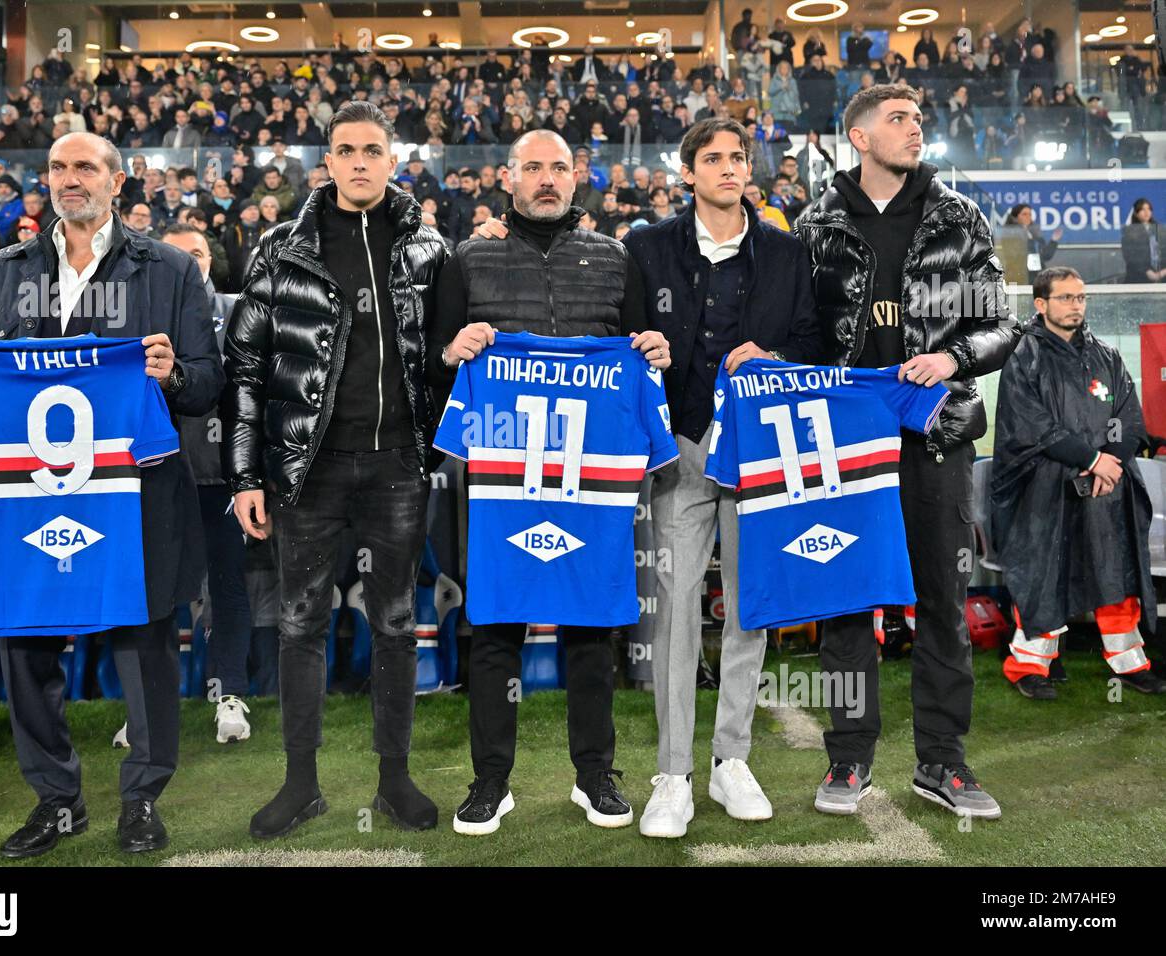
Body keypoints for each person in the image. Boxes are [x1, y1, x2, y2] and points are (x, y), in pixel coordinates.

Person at [0, 131, 223, 858]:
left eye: (84, 166)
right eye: (56, 167)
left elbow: (210, 384)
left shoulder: (173, 269)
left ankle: (142, 800)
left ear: (118, 182)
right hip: (25, 499)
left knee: (143, 647)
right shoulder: (0, 273)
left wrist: (172, 374)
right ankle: (56, 802)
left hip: (138, 499)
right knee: (26, 649)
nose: (68, 178)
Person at [430, 129, 671, 835]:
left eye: (558, 167)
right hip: (504, 475)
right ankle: (490, 781)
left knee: (591, 626)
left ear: (577, 178)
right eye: (532, 167)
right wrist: (454, 349)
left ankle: (594, 775)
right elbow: (437, 357)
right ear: (508, 179)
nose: (545, 178)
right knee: (496, 624)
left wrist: (652, 349)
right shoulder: (467, 258)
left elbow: (638, 348)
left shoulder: (614, 258)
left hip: (589, 475)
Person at [221, 102, 450, 838]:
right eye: (345, 150)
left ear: (393, 160)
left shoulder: (428, 250)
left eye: (372, 150)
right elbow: (246, 368)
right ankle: (300, 784)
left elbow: (446, 361)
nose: (359, 162)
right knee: (298, 625)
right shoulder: (281, 247)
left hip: (397, 467)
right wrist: (245, 476)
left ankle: (395, 780)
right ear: (327, 162)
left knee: (394, 621)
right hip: (306, 471)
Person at [794, 84, 1020, 820]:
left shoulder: (960, 216)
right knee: (846, 605)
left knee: (945, 605)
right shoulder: (817, 224)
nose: (916, 129)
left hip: (939, 436)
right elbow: (798, 331)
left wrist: (953, 360)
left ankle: (943, 763)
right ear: (858, 137)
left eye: (919, 118)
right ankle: (848, 760)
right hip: (846, 441)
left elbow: (1000, 324)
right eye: (898, 119)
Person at [615, 118, 822, 838]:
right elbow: (624, 337)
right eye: (715, 159)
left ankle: (730, 758)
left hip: (760, 451)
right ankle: (672, 773)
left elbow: (811, 340)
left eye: (738, 157)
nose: (730, 168)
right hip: (678, 448)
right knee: (673, 615)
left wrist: (771, 353)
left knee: (747, 608)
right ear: (689, 173)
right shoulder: (644, 247)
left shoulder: (789, 253)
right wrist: (645, 347)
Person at [991, 267, 1165, 700]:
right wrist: (1091, 459)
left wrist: (1110, 463)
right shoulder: (1023, 356)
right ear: (1041, 304)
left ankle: (1130, 664)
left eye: (1081, 298)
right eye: (1066, 298)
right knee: (1042, 574)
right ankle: (1029, 666)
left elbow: (1130, 417)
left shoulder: (1106, 355)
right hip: (1043, 489)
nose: (1076, 306)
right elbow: (1033, 428)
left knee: (1115, 570)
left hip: (1107, 487)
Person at [159, 223, 255, 740]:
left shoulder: (239, 311)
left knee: (226, 584)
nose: (188, 262)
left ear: (210, 262)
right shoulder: (136, 313)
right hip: (154, 473)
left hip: (222, 475)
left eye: (196, 254)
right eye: (175, 254)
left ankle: (231, 694)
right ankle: (150, 705)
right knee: (158, 591)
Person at [1004, 203, 1061, 284]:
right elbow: (1012, 255)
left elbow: (1045, 256)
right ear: (1015, 217)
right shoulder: (1008, 234)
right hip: (1018, 275)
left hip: (1036, 275)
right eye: (1024, 214)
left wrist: (1053, 241)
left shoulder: (1035, 234)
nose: (1028, 217)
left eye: (1030, 214)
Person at [1121, 198, 1164, 284]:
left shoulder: (1160, 230)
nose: (1146, 212)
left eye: (1149, 209)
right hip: (1138, 278)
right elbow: (1130, 256)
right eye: (1142, 209)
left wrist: (1162, 272)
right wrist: (1148, 272)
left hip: (1162, 277)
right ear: (1136, 213)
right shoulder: (1130, 232)